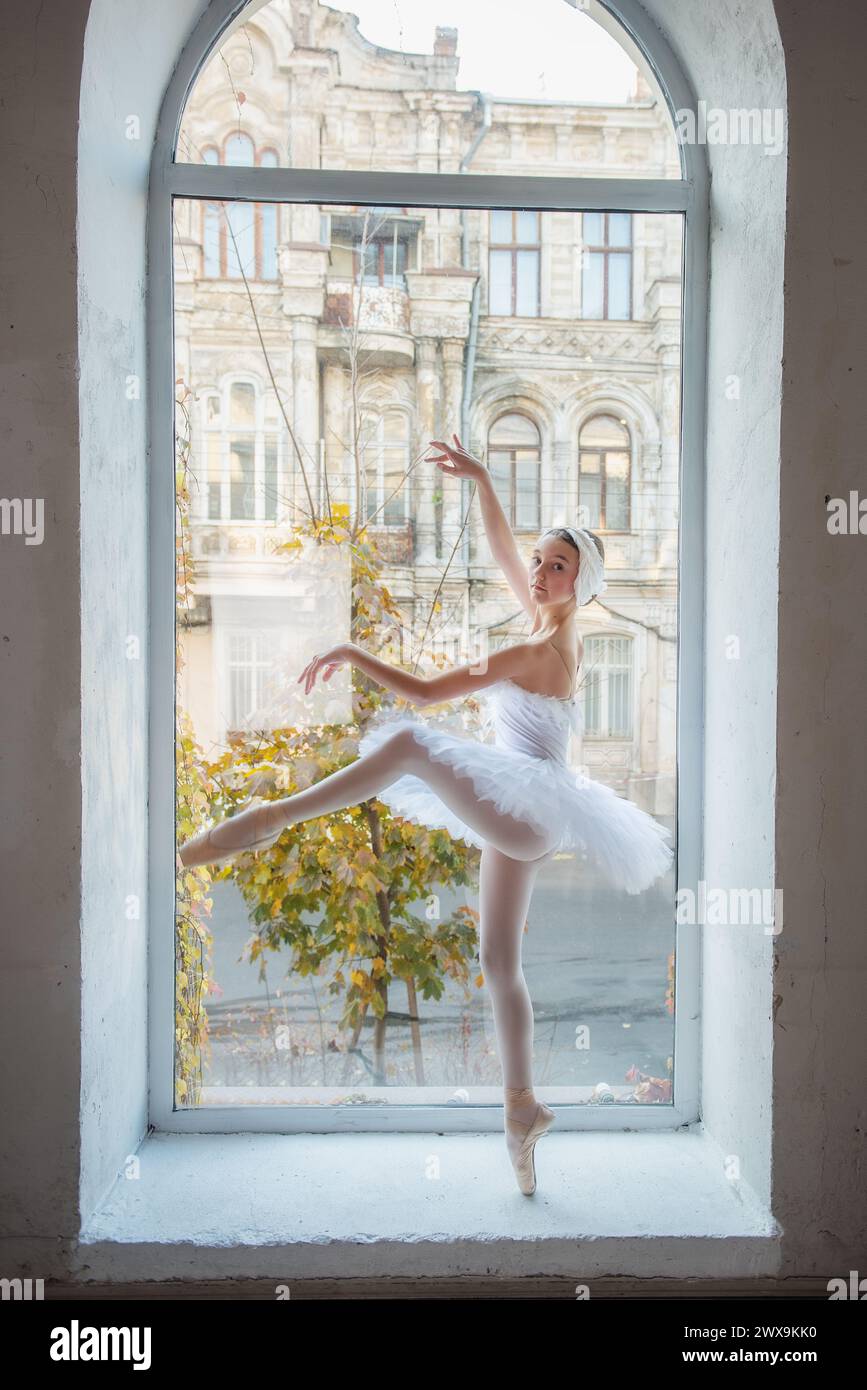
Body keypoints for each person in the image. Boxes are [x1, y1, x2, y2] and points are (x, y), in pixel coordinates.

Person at [179, 433, 674, 1194]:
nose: (538, 573)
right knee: (499, 964)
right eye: (541, 561)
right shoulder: (548, 626)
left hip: (528, 804)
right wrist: (480, 480)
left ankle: (273, 814)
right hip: (529, 807)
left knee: (410, 738)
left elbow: (427, 694)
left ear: (583, 583)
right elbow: (503, 550)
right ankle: (521, 1111)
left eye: (557, 566)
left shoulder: (538, 650)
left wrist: (350, 650)